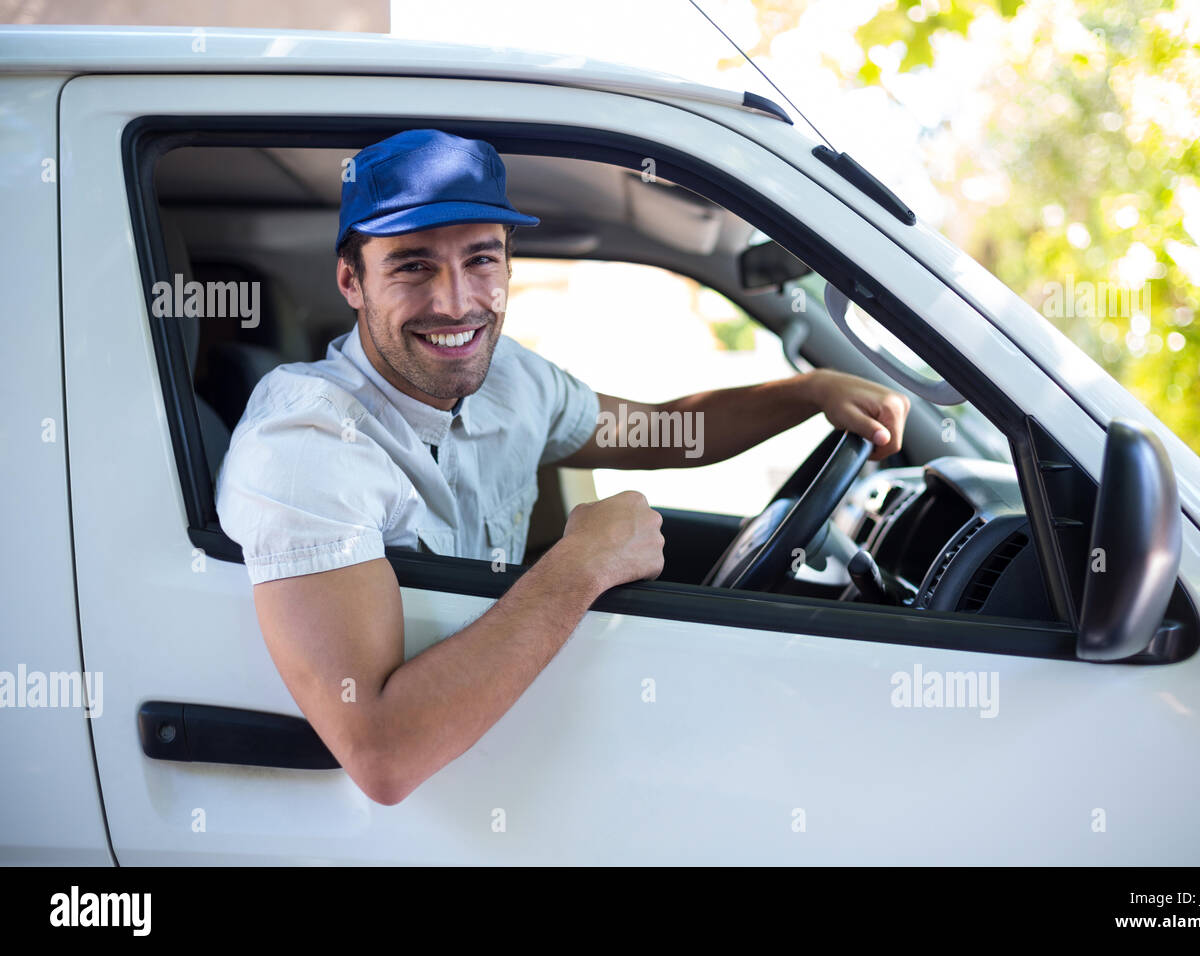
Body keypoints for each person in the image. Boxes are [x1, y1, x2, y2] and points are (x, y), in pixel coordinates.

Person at [216, 128, 910, 805]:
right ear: (351, 281)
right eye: (412, 265)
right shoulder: (305, 442)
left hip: (516, 761)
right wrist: (581, 565)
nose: (456, 301)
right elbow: (384, 754)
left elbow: (666, 431)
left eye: (481, 261)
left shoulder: (507, 377)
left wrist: (809, 392)